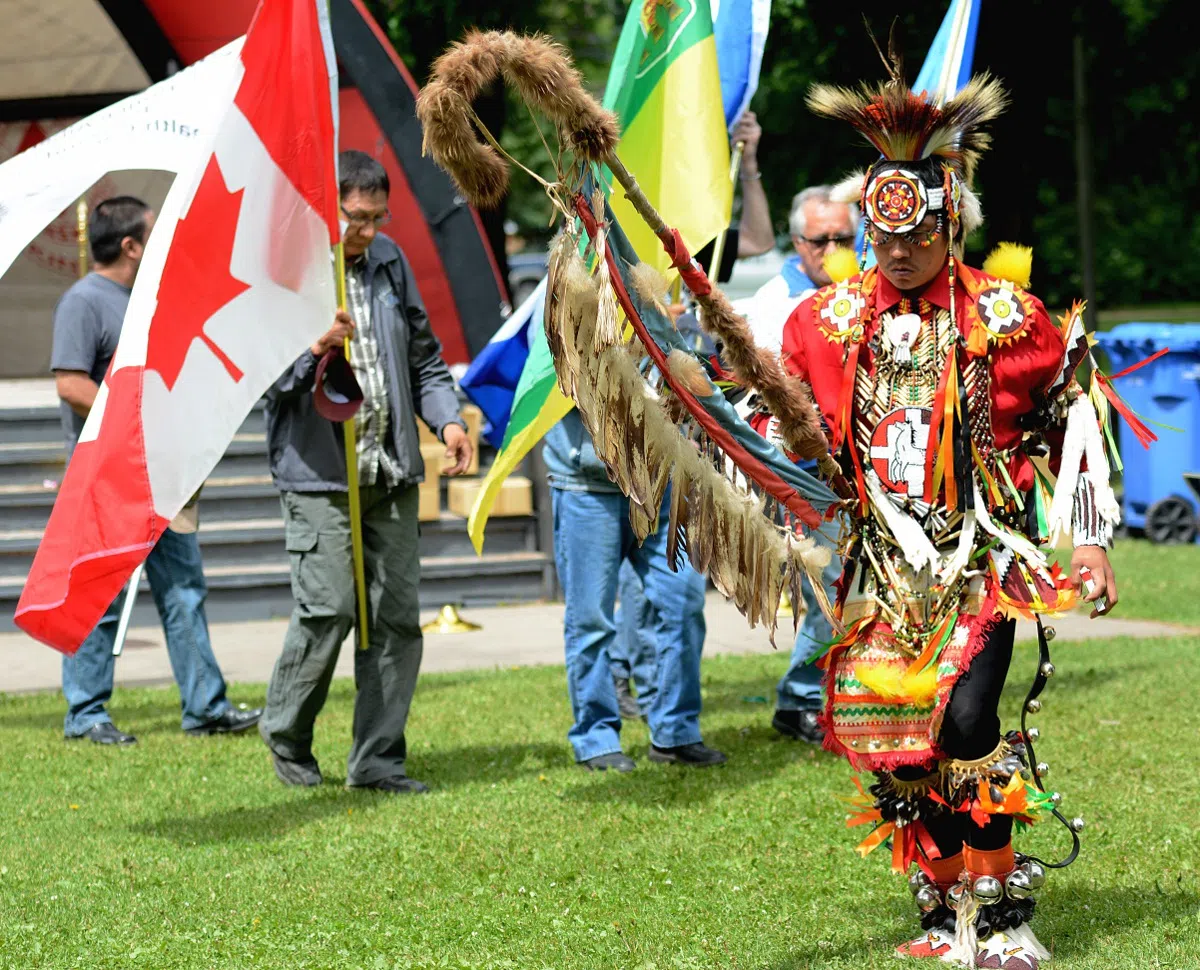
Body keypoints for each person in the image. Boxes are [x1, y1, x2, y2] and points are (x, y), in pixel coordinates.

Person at [774, 72, 1121, 965]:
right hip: (884, 569)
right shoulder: (826, 322)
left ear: (950, 227)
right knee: (899, 741)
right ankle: (945, 912)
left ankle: (1003, 920)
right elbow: (785, 423)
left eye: (917, 238)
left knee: (967, 722)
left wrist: (1088, 538)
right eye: (882, 239)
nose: (896, 255)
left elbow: (1076, 404)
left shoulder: (1008, 318)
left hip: (981, 561)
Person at [259, 151, 473, 794]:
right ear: (329, 211)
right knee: (328, 610)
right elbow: (263, 378)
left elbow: (426, 360)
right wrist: (314, 347)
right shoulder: (289, 272)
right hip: (320, 476)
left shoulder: (390, 263)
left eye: (378, 218)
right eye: (355, 218)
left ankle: (377, 759)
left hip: (389, 467)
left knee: (397, 618)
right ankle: (287, 734)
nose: (368, 232)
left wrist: (448, 421)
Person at [50, 196, 261, 745]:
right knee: (99, 596)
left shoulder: (149, 299)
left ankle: (206, 707)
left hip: (163, 475)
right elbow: (70, 384)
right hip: (109, 479)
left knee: (183, 589)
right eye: (154, 236)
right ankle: (86, 713)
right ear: (130, 246)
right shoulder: (84, 301)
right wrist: (128, 426)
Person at [544, 410, 724, 771]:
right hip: (587, 486)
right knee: (591, 620)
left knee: (684, 602)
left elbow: (684, 368)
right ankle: (596, 738)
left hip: (660, 484)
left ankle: (676, 732)